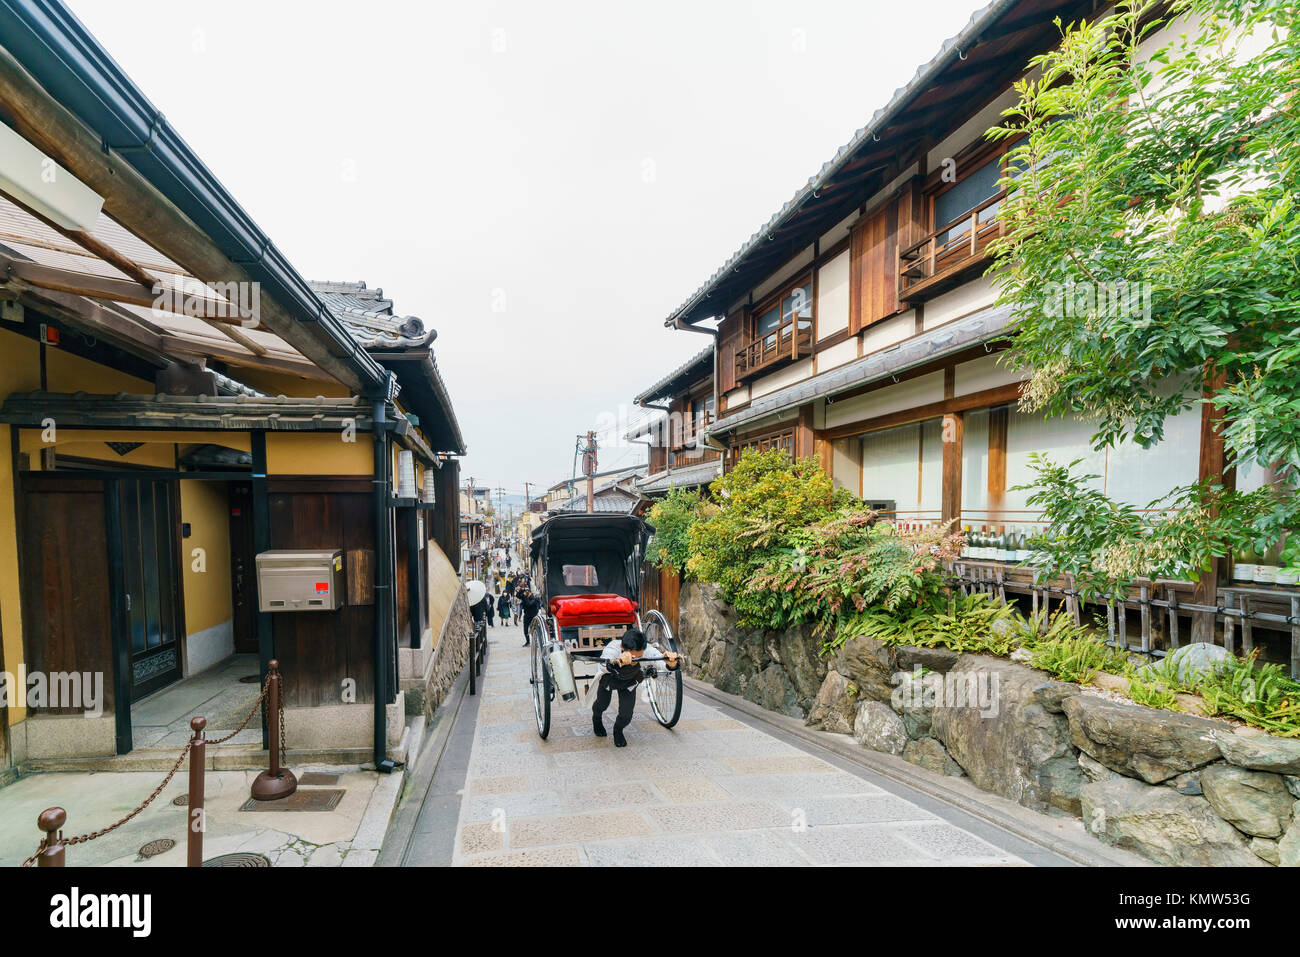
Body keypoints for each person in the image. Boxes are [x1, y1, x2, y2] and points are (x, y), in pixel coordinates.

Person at [592, 627, 679, 748]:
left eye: (638, 656)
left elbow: (660, 661)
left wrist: (671, 663)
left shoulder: (646, 649)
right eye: (633, 657)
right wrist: (617, 661)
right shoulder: (613, 647)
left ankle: (618, 730)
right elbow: (602, 665)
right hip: (609, 679)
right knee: (602, 704)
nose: (635, 660)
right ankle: (596, 718)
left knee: (626, 715)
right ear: (622, 647)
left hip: (629, 682)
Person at [518, 581, 541, 647]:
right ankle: (527, 642)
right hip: (526, 615)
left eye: (528, 592)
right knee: (525, 629)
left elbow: (529, 604)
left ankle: (536, 642)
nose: (527, 593)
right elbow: (518, 596)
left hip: (533, 616)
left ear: (530, 593)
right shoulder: (526, 597)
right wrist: (521, 590)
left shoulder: (534, 598)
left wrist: (525, 597)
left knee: (534, 629)